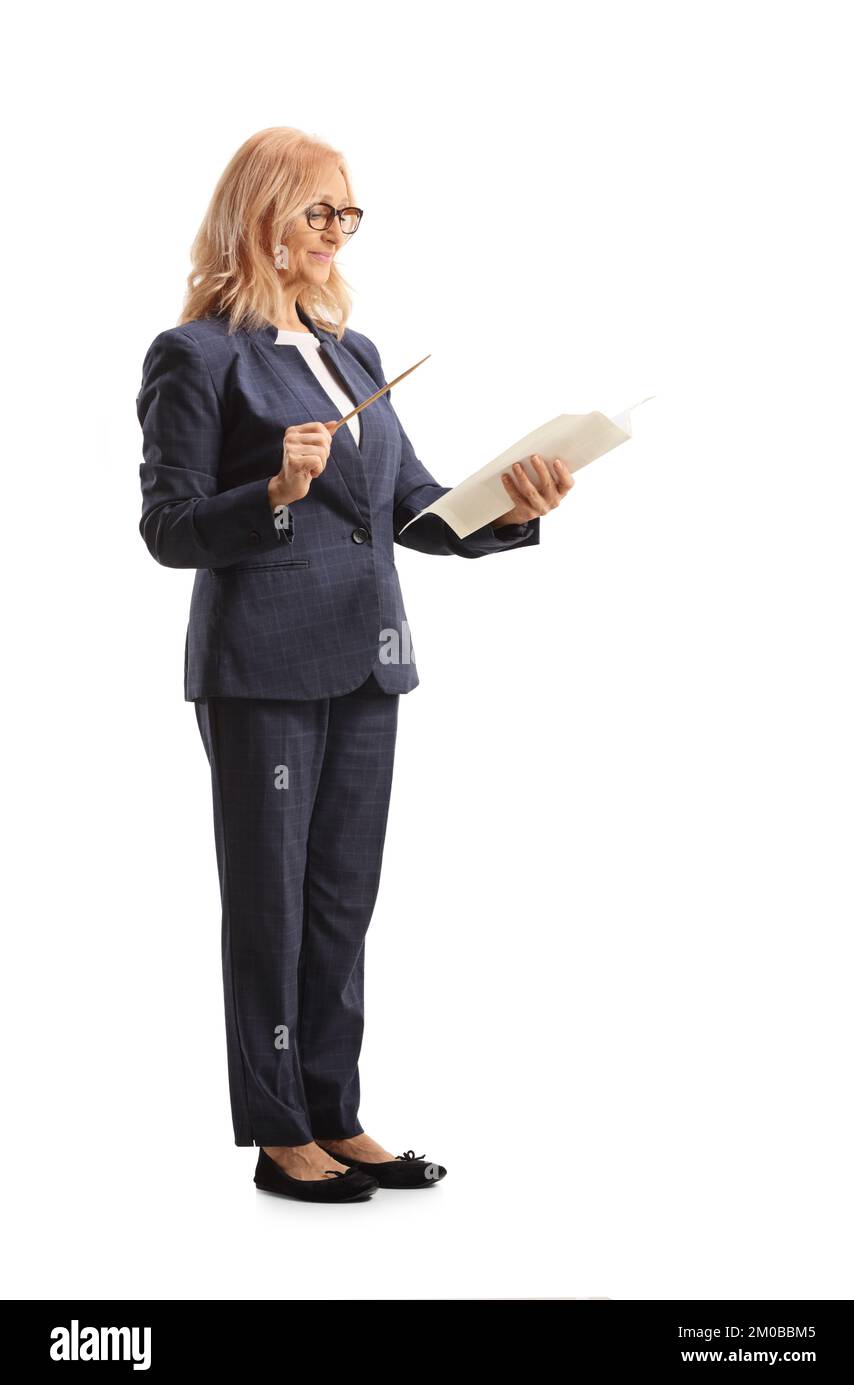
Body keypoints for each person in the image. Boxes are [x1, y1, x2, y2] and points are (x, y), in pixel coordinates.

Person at [136, 126, 574, 1204]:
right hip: (263, 668)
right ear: (261, 218)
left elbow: (412, 508)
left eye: (347, 212)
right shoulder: (198, 355)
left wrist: (507, 508)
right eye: (314, 210)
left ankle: (335, 1109)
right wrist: (271, 498)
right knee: (271, 905)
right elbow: (167, 526)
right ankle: (280, 1132)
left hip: (368, 661)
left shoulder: (355, 354)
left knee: (339, 900)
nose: (335, 231)